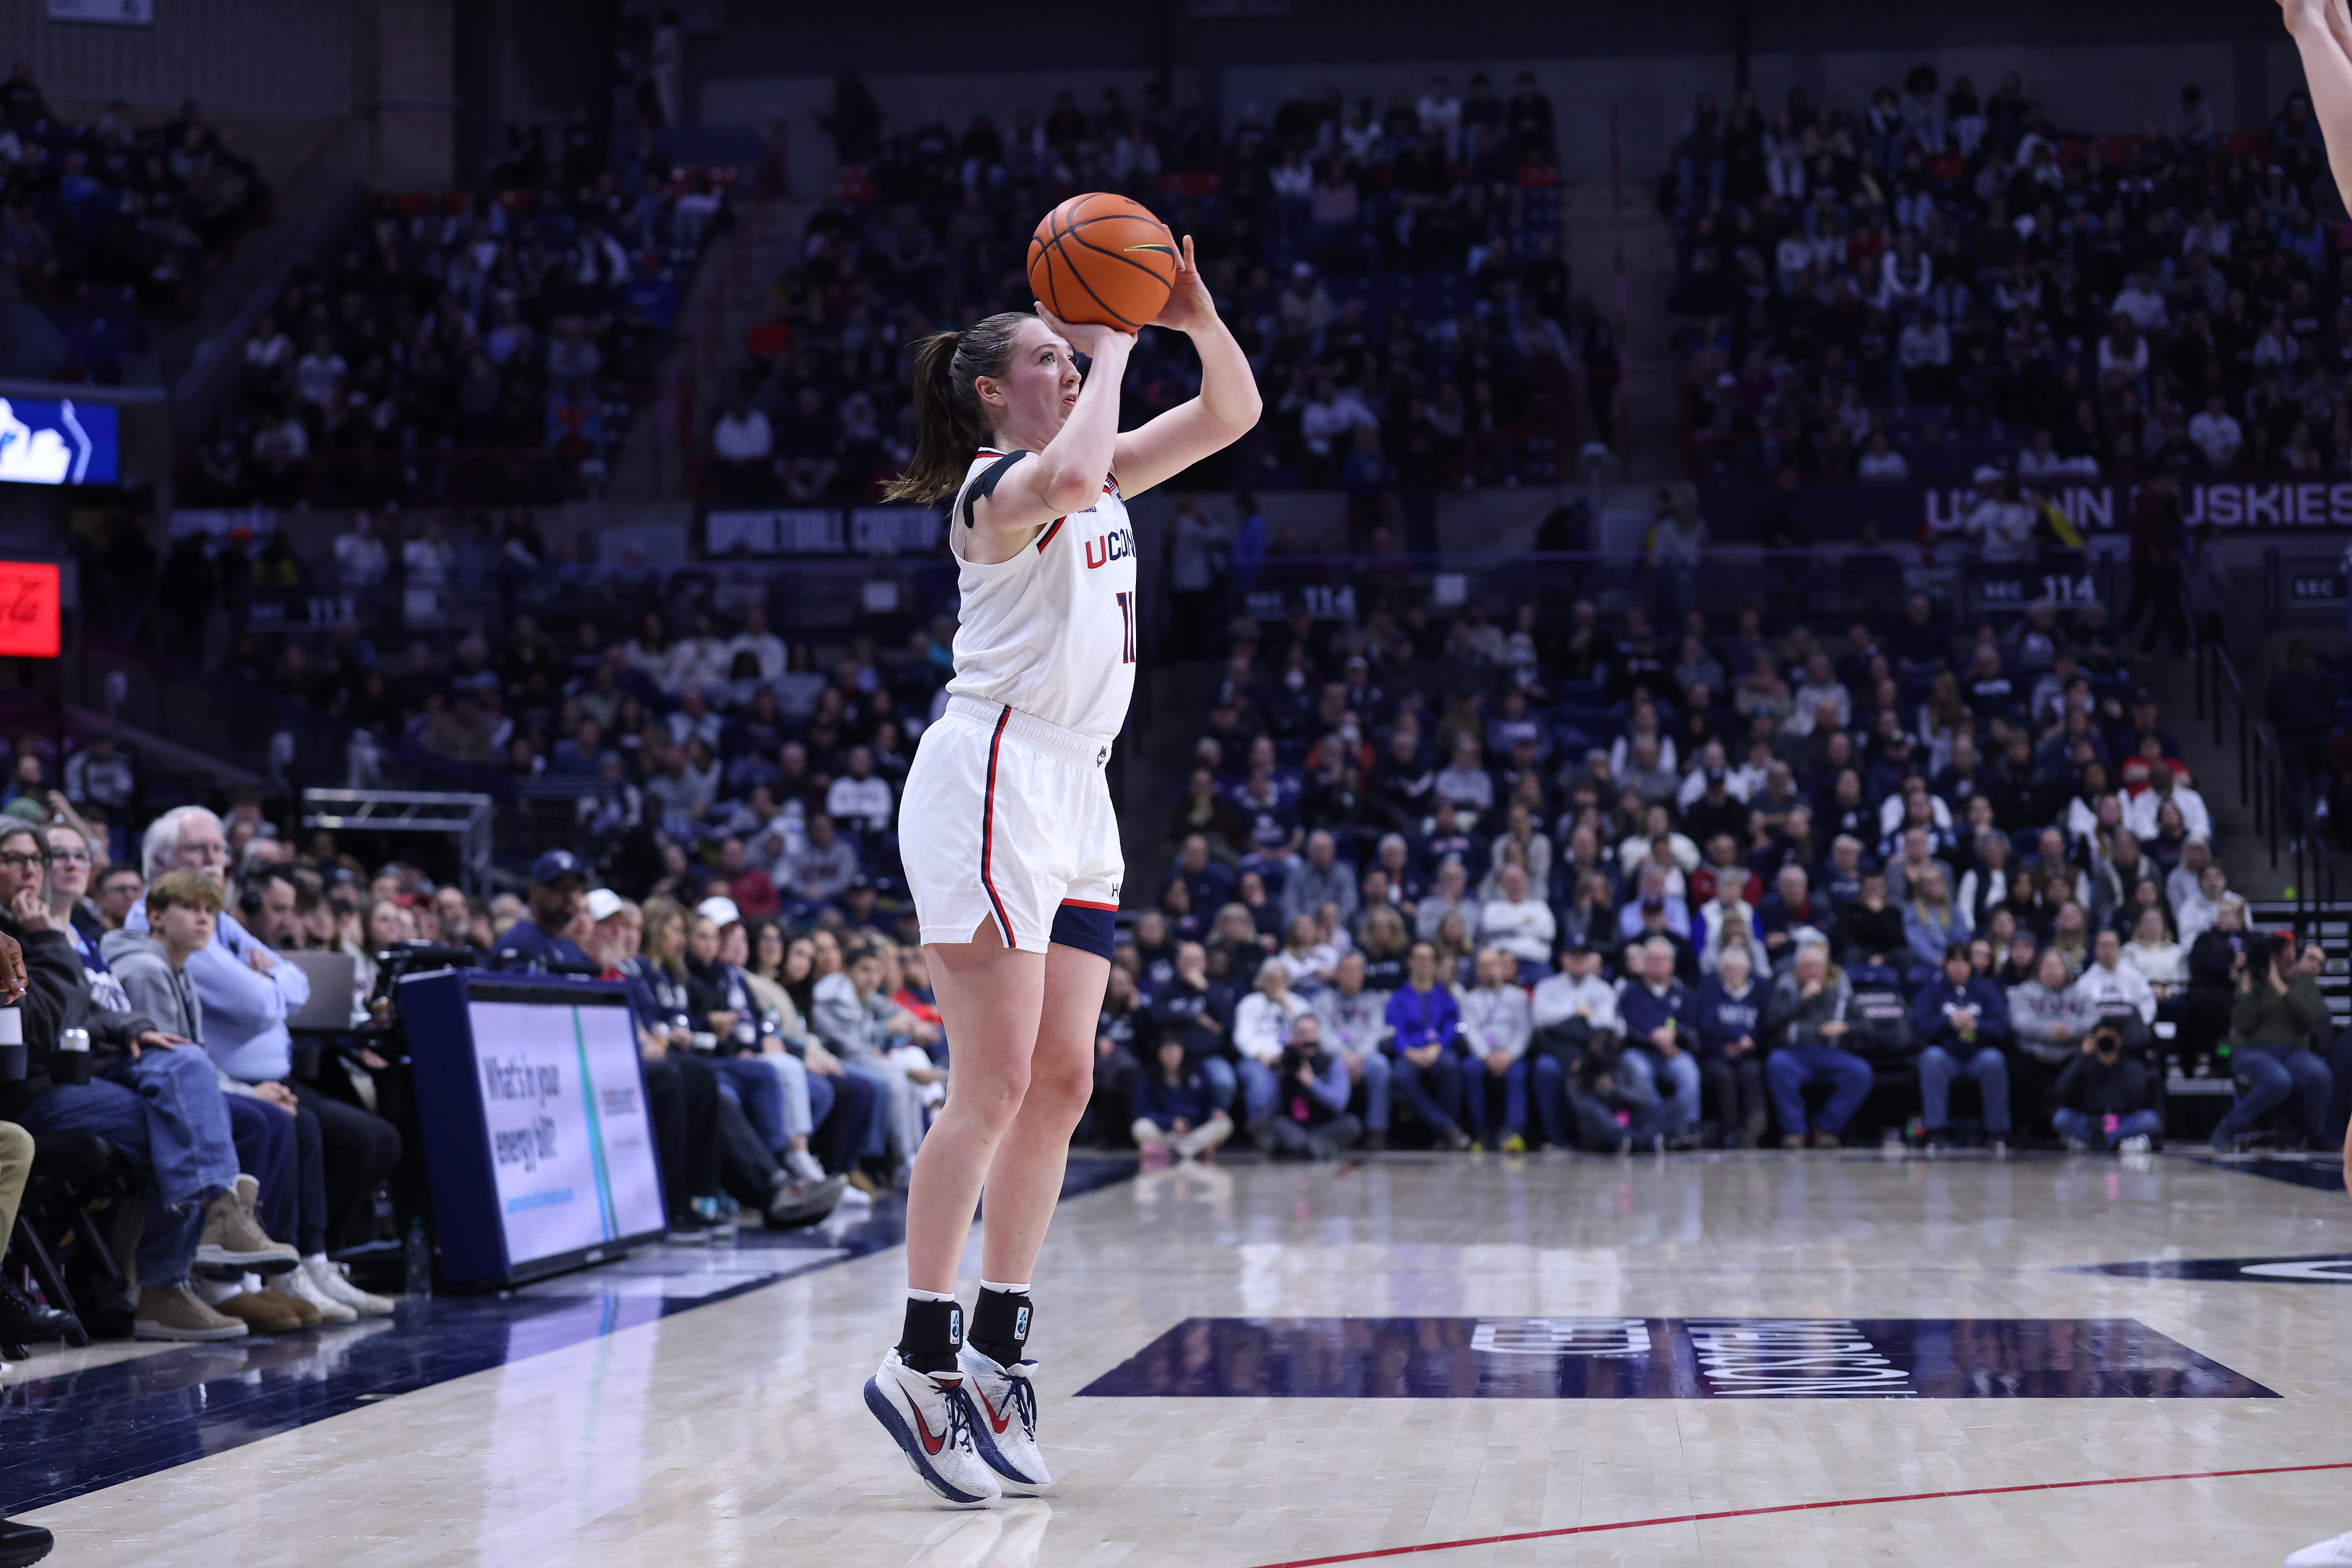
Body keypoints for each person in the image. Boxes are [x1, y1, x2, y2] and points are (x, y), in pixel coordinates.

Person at [862, 234, 1261, 1503]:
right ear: (994, 389)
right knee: (985, 1081)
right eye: (1050, 352)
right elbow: (1084, 458)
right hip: (990, 774)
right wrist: (1116, 336)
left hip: (1077, 788)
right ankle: (919, 1358)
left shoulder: (1092, 474)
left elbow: (1236, 410)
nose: (1074, 360)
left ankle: (996, 1346)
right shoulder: (996, 488)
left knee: (1066, 1077)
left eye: (1071, 348)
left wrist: (1189, 316)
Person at [2211, 931, 2334, 1152]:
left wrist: (2278, 984)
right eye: (2278, 949)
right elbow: (2244, 1024)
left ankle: (2314, 1135)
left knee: (2320, 1075)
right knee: (2278, 1080)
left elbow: (2308, 1018)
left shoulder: (2306, 984)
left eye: (2288, 947)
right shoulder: (2253, 980)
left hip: (2294, 1052)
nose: (2283, 954)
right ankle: (2228, 1129)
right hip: (2252, 1050)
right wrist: (2247, 983)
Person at [1763, 941, 1873, 1148]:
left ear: (1826, 968)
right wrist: (1803, 998)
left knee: (1861, 1072)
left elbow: (1867, 1027)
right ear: (1798, 969)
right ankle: (1795, 1131)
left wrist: (1845, 1027)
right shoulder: (1786, 988)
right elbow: (1771, 1025)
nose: (1813, 972)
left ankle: (1826, 1128)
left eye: (1818, 966)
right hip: (1796, 1054)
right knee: (1776, 1063)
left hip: (1831, 1053)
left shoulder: (1840, 991)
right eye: (1807, 967)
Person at [1909, 943, 2013, 1151]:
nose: (1959, 967)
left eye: (1964, 962)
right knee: (1932, 1058)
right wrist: (1948, 1023)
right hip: (1947, 1055)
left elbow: (2001, 1026)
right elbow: (1919, 1024)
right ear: (1946, 964)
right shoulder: (1933, 990)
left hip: (1977, 1055)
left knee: (1994, 1060)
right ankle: (1935, 1131)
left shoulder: (1985, 989)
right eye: (1953, 961)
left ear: (1971, 965)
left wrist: (1978, 1025)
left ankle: (1997, 1133)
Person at [1386, 940, 1472, 1149]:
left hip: (1438, 1050)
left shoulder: (1445, 996)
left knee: (1451, 1066)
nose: (1424, 964)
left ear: (1435, 964)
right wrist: (1409, 1051)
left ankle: (1444, 1134)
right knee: (1401, 1075)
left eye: (1429, 959)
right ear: (1410, 963)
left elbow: (1452, 1025)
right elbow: (1393, 1029)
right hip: (1409, 1052)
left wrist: (1437, 1046)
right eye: (1419, 959)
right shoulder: (1398, 998)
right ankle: (1447, 1129)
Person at [489, 849, 592, 968]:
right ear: (535, 891)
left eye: (573, 888)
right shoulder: (516, 945)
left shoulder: (574, 950)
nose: (569, 895)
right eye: (560, 887)